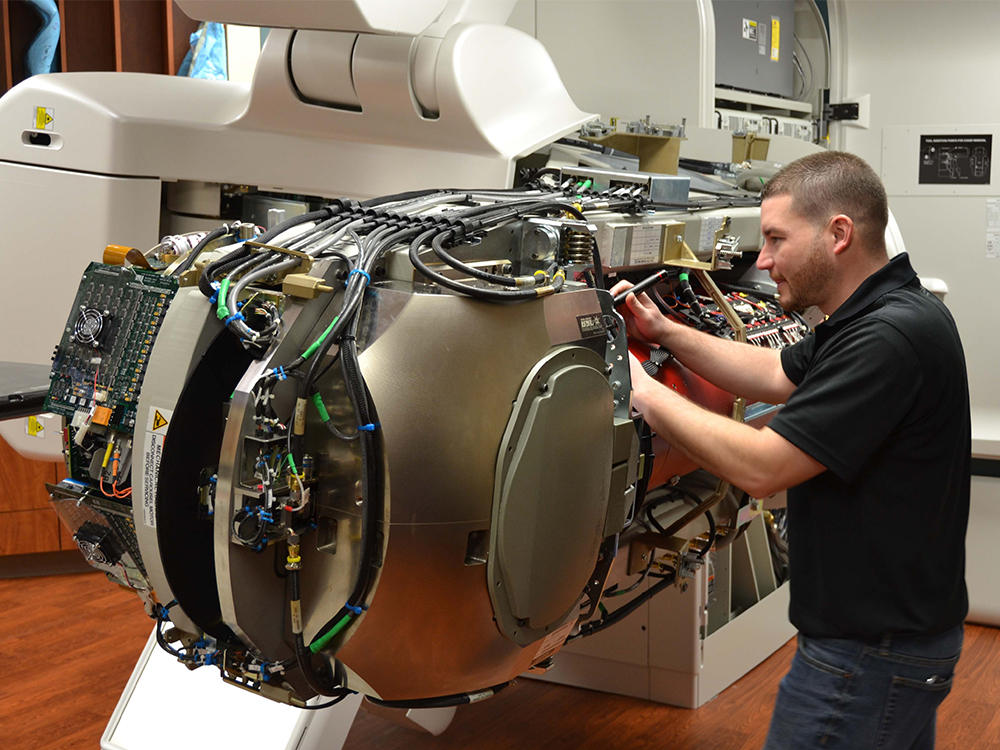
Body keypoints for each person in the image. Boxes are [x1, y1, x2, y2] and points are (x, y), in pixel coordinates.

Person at [611, 151, 970, 750]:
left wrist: (643, 391)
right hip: (892, 640)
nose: (764, 259)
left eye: (776, 238)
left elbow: (763, 466)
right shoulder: (878, 312)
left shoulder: (887, 338)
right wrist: (665, 332)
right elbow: (776, 371)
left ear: (838, 234)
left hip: (869, 652)